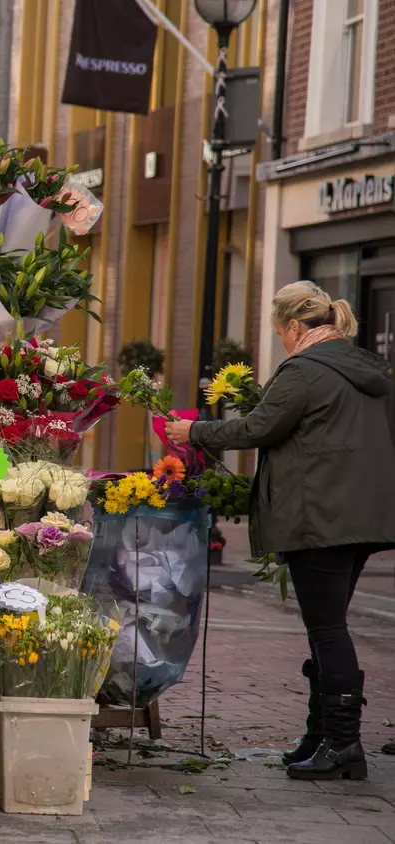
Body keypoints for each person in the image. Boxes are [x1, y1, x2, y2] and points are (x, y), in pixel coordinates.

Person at [165, 281, 395, 781]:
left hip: (318, 518)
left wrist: (195, 432)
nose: (281, 341)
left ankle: (343, 745)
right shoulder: (372, 371)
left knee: (327, 630)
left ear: (294, 327)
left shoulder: (306, 370)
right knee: (327, 626)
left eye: (279, 331)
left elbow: (256, 429)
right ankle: (321, 737)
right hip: (361, 518)